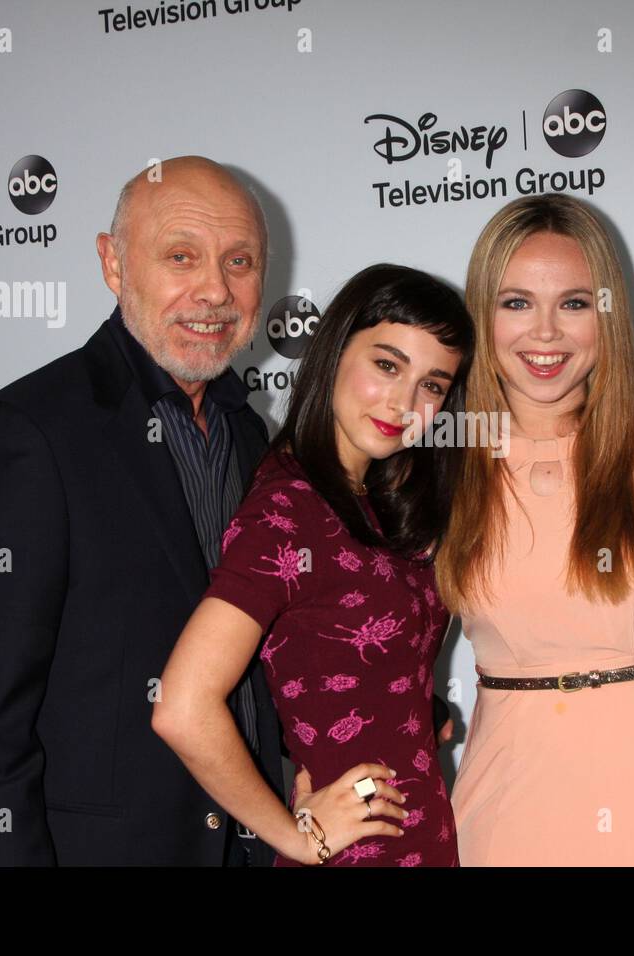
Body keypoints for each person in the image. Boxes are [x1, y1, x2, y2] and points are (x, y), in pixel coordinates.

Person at [0, 156, 393, 864]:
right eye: (181, 256)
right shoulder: (24, 437)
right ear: (113, 265)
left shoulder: (253, 439)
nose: (214, 291)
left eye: (240, 262)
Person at [442, 194, 634, 865]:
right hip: (511, 808)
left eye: (575, 303)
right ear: (481, 313)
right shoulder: (441, 464)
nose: (545, 333)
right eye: (516, 302)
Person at [154, 264, 472, 866]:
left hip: (424, 842)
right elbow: (182, 705)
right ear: (334, 349)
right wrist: (297, 835)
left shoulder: (377, 498)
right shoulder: (289, 505)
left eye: (432, 385)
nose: (405, 402)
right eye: (387, 365)